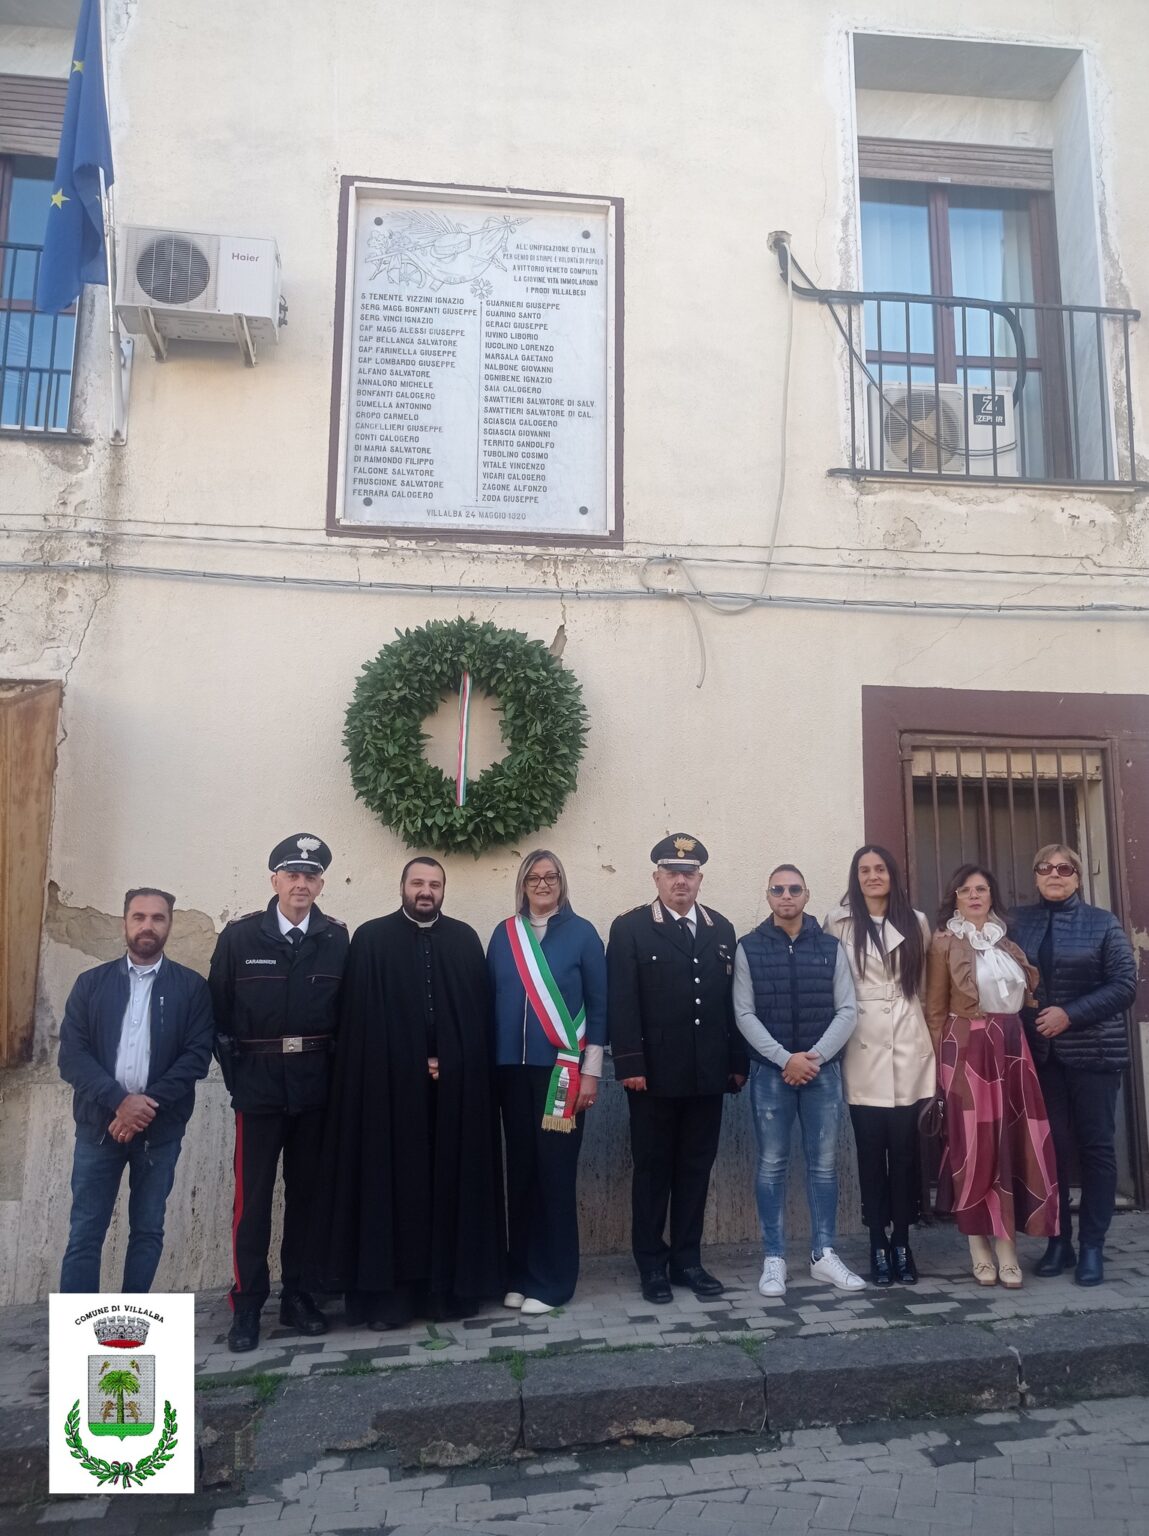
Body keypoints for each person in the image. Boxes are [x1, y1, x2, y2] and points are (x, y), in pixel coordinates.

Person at [310, 856, 505, 1327]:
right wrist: (412, 1061)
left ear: (443, 891)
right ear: (402, 887)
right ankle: (390, 1298)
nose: (425, 891)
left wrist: (450, 1062)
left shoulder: (463, 940)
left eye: (434, 884)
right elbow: (361, 1027)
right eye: (417, 882)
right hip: (388, 1097)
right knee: (391, 1190)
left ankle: (449, 1294)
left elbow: (477, 1021)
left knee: (449, 1186)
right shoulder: (372, 940)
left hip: (452, 1096)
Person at [209, 834, 349, 1352]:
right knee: (252, 1205)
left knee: (308, 1200)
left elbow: (344, 1019)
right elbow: (218, 1017)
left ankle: (299, 1297)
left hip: (314, 1090)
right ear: (275, 880)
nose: (301, 884)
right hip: (260, 1090)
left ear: (320, 883)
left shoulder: (336, 939)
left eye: (310, 876)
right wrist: (238, 1079)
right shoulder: (241, 939)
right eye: (292, 875)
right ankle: (246, 1306)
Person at [607, 835, 747, 1304]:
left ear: (700, 879)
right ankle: (651, 1264)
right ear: (657, 878)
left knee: (695, 1169)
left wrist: (736, 1063)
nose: (680, 880)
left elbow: (732, 1005)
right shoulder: (629, 929)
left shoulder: (721, 929)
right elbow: (622, 1003)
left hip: (707, 1075)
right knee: (652, 1171)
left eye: (689, 873)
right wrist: (628, 1063)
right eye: (671, 872)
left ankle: (688, 1259)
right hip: (652, 1077)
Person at [58, 887, 213, 1293]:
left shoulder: (191, 988)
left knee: (147, 1231)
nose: (148, 926)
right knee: (84, 1235)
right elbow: (72, 1058)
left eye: (157, 918)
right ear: (124, 922)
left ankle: (131, 1339)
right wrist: (120, 1103)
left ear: (169, 925)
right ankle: (79, 1346)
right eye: (139, 917)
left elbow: (196, 1058)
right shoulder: (90, 984)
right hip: (98, 1129)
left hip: (158, 1134)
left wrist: (146, 1107)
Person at [925, 863, 1058, 1289]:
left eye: (981, 889)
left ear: (990, 895)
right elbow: (934, 1010)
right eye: (966, 891)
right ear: (956, 899)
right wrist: (937, 1071)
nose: (975, 896)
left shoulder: (1007, 943)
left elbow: (1024, 999)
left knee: (1013, 1144)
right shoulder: (944, 943)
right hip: (967, 1048)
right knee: (974, 1147)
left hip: (1012, 1049)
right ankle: (979, 1248)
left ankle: (1008, 1247)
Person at [1011, 845, 1137, 1286]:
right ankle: (1058, 1240)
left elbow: (1125, 985)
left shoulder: (1102, 923)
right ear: (1036, 876)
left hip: (1094, 1055)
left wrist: (1071, 1014)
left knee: (1096, 1149)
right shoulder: (1018, 922)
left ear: (1078, 878)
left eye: (1065, 869)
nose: (1055, 874)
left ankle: (1092, 1246)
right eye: (1045, 868)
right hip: (1041, 1058)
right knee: (1054, 1151)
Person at [487, 850, 607, 1315]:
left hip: (563, 1072)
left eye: (550, 876)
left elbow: (599, 1008)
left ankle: (555, 1281)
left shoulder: (582, 933)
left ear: (561, 882)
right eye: (534, 877)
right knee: (520, 1175)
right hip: (510, 1074)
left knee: (554, 1177)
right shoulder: (504, 935)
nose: (542, 884)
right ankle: (521, 1273)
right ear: (522, 883)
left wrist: (592, 1074)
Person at [735, 864, 862, 1298]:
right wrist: (784, 1058)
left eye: (794, 889)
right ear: (768, 895)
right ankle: (774, 1258)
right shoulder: (748, 947)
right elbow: (743, 1013)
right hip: (771, 1075)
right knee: (772, 1164)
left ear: (807, 895)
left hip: (822, 1074)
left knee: (824, 1166)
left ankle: (823, 1254)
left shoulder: (831, 947)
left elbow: (847, 1009)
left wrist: (816, 1057)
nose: (786, 896)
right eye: (777, 889)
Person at [824, 846, 933, 1286]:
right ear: (856, 876)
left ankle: (903, 1240)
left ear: (892, 875)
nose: (873, 876)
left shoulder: (917, 922)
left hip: (907, 1042)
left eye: (880, 869)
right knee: (870, 1153)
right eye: (864, 870)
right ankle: (876, 1242)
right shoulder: (837, 922)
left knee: (906, 1153)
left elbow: (922, 987)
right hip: (861, 1045)